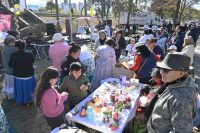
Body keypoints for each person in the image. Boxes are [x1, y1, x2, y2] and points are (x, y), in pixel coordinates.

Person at [145, 52, 199, 133]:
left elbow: (182, 131)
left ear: (181, 73)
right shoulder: (175, 81)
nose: (160, 72)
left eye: (166, 70)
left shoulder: (183, 98)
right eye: (161, 68)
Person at [9, 40, 36, 105]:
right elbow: (33, 61)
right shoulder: (29, 53)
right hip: (28, 74)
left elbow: (10, 64)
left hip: (18, 75)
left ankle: (21, 100)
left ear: (16, 47)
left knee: (19, 88)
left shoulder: (13, 55)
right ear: (24, 46)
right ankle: (30, 100)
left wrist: (16, 65)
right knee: (29, 88)